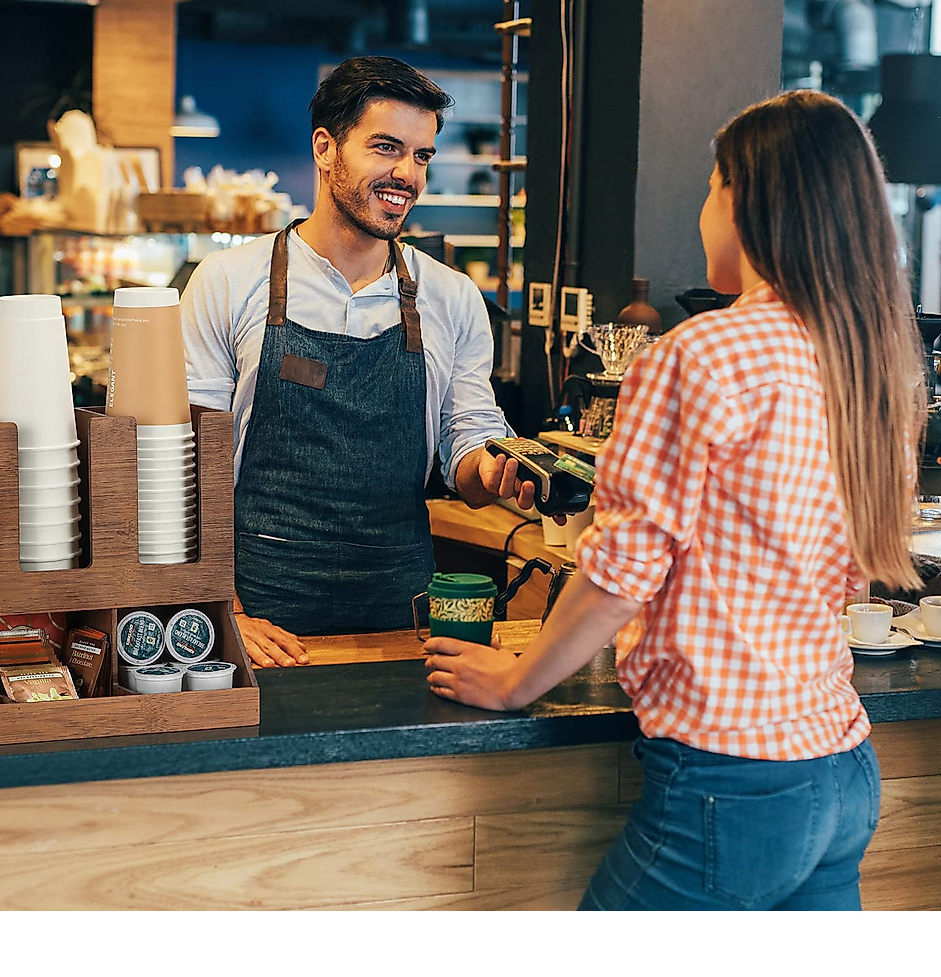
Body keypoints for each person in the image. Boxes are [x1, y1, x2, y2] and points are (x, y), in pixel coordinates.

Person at [424, 90, 924, 910]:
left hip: (731, 780)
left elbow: (623, 570)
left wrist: (517, 683)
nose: (704, 211)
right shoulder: (875, 362)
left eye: (711, 187)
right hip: (839, 769)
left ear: (747, 202)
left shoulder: (700, 354)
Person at [181, 56, 537, 669]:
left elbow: (467, 445)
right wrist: (221, 609)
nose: (407, 174)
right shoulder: (227, 283)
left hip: (402, 612)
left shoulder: (450, 298)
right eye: (386, 148)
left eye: (422, 155)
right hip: (260, 612)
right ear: (325, 148)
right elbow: (189, 466)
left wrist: (502, 470)